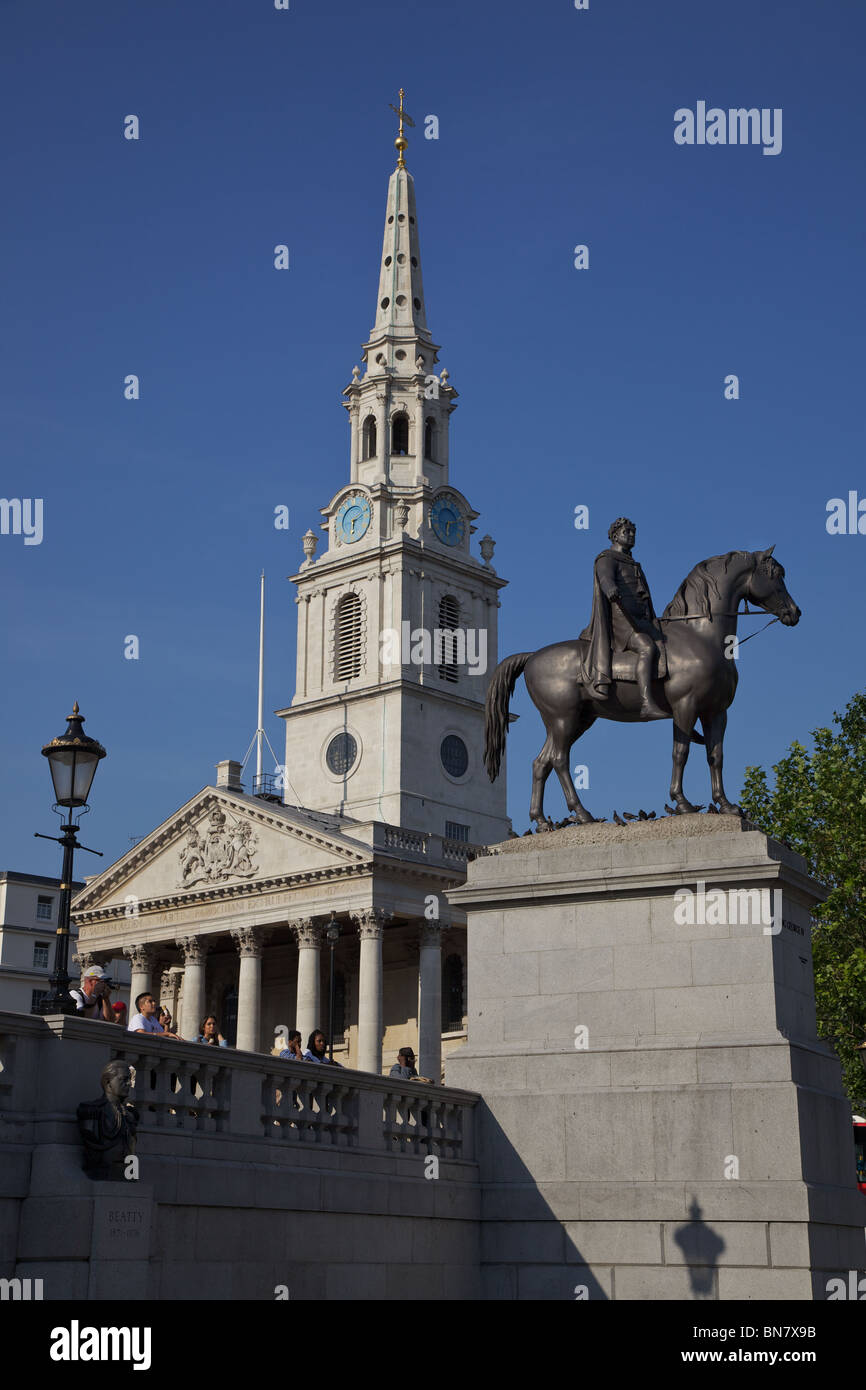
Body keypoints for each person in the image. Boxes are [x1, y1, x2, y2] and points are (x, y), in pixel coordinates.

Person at [579, 517, 667, 720]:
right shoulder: (607, 557)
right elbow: (605, 577)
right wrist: (609, 587)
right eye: (626, 532)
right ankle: (646, 703)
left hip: (641, 619)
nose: (631, 535)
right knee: (647, 648)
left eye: (633, 532)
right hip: (622, 621)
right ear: (615, 535)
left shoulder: (633, 563)